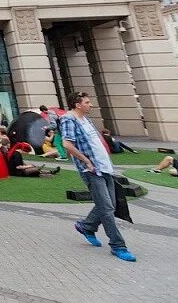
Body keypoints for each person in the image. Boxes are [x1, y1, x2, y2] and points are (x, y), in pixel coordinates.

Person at [59, 91, 136, 262]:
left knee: (110, 205)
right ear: (78, 104)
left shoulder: (86, 120)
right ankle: (118, 246)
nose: (90, 104)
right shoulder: (68, 119)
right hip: (91, 170)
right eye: (87, 102)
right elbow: (67, 145)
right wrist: (86, 162)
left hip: (104, 167)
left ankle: (87, 226)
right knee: (107, 209)